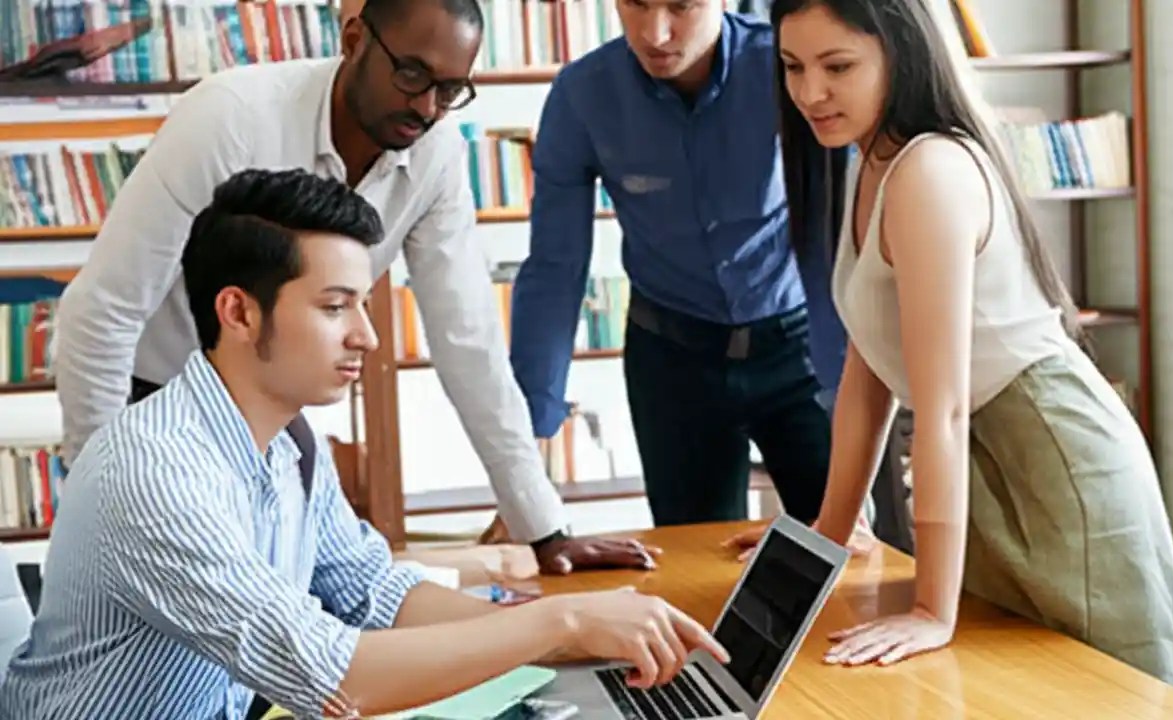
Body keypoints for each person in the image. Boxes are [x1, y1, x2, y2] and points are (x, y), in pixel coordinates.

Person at [0, 169, 728, 720]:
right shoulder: (155, 472)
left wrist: (581, 636)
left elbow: (374, 593)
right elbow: (331, 674)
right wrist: (559, 619)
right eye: (334, 307)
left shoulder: (284, 443)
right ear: (238, 313)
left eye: (365, 305)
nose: (367, 337)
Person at [729, 0, 1173, 704]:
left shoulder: (930, 170)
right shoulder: (868, 162)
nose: (810, 92)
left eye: (837, 66)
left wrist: (933, 609)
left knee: (1113, 697)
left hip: (1053, 459)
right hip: (991, 469)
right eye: (792, 67)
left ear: (900, 55)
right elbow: (867, 372)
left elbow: (944, 406)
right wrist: (826, 537)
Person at [51, 0, 654, 574]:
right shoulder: (230, 117)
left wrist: (544, 528)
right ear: (354, 40)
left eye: (450, 91)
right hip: (155, 400)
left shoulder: (436, 153)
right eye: (413, 74)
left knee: (316, 596)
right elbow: (100, 314)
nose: (426, 107)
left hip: (272, 409)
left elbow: (468, 339)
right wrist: (102, 499)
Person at [509, 0, 884, 530]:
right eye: (635, 5)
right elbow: (555, 265)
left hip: (799, 346)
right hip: (671, 361)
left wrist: (841, 385)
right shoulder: (582, 96)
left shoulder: (789, 72)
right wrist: (529, 433)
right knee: (698, 570)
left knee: (856, 554)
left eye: (681, 6)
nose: (655, 33)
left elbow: (834, 231)